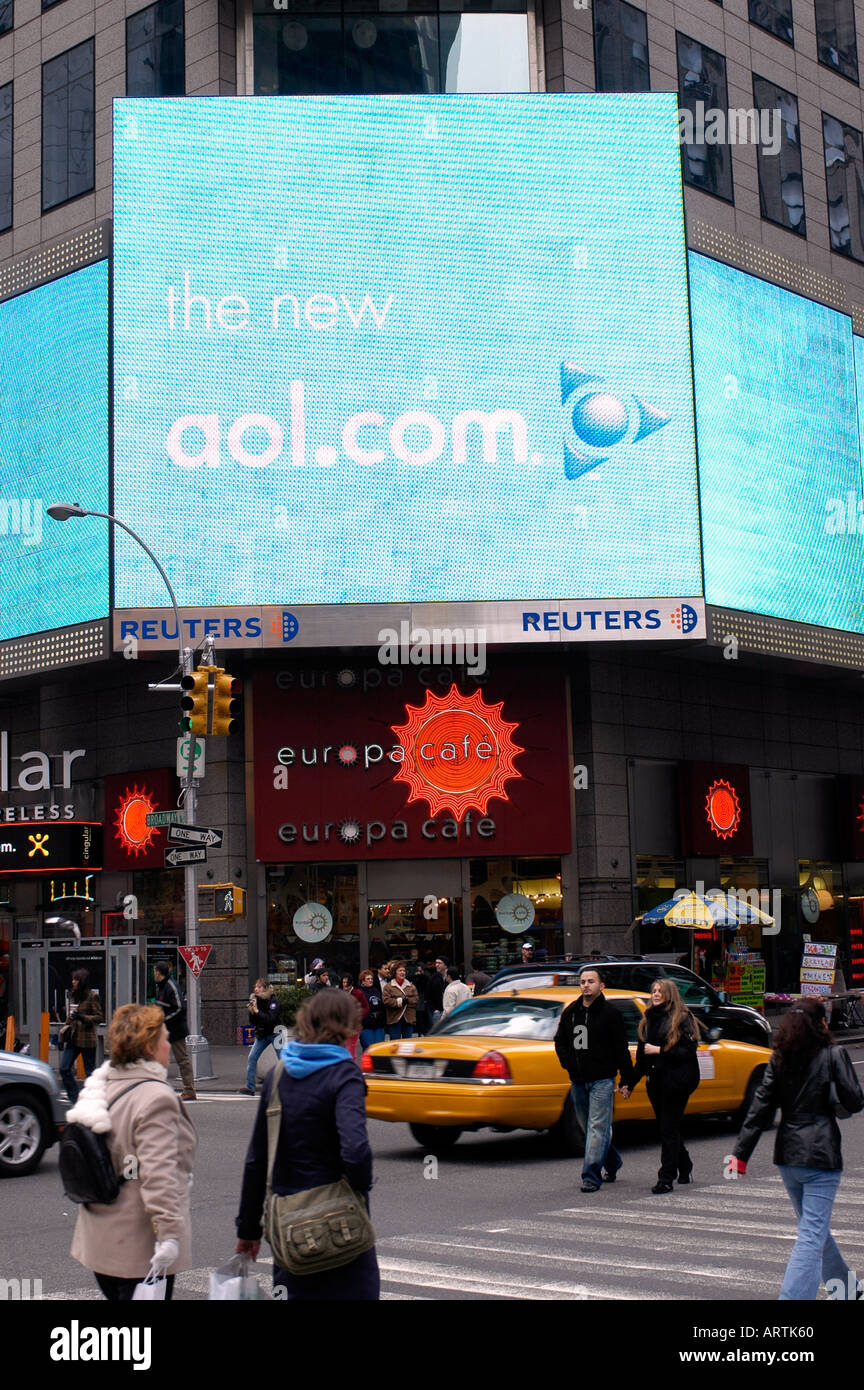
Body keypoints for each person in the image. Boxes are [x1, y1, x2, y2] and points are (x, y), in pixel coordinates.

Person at [235, 989, 379, 1301]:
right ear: (347, 1026)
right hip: (341, 1227)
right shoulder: (344, 1074)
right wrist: (360, 1187)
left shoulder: (277, 1075)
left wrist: (248, 1230)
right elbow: (355, 1150)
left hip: (291, 1230)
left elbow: (257, 1161)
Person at [730, 997, 864, 1300]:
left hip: (788, 1156)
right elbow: (854, 1100)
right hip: (821, 1155)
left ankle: (845, 1289)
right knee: (812, 1234)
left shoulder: (779, 1057)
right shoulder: (834, 1053)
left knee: (813, 1228)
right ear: (821, 1024)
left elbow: (759, 1109)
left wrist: (740, 1156)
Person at [67, 1003, 197, 1301]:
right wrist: (169, 1236)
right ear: (150, 1047)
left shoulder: (101, 1086)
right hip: (139, 1251)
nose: (168, 1045)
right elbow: (158, 1173)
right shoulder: (155, 1098)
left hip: (100, 1242)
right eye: (165, 1039)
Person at [553, 965, 634, 1193]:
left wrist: (626, 1077)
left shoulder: (610, 1014)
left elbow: (621, 1048)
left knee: (597, 1127)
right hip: (578, 1080)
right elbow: (560, 1041)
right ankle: (613, 1161)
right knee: (587, 1127)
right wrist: (568, 1063)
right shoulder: (571, 1012)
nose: (586, 985)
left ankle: (590, 1176)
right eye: (583, 981)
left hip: (602, 1080)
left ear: (601, 985)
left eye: (591, 981)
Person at [627, 978, 700, 1194]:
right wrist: (629, 1083)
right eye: (654, 991)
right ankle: (685, 1165)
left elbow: (688, 1051)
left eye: (660, 991)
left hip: (678, 1081)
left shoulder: (682, 1018)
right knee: (668, 1128)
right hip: (656, 1081)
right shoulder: (648, 1019)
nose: (656, 994)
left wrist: (660, 1051)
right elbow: (642, 1058)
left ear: (670, 994)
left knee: (668, 1128)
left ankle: (666, 1177)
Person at [153, 960, 196, 1102]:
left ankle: (189, 1090)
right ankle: (157, 1088)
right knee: (157, 1058)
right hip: (165, 1030)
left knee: (182, 1060)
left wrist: (163, 1019)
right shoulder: (162, 986)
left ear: (159, 973)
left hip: (175, 1029)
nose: (154, 973)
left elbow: (180, 1008)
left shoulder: (170, 986)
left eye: (155, 971)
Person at [59, 968, 104, 1104]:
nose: (73, 982)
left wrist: (82, 1017)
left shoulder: (92, 996)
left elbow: (99, 1017)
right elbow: (70, 1016)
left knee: (90, 1073)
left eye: (76, 980)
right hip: (73, 1038)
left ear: (82, 981)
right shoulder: (73, 995)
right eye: (73, 979)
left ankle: (95, 1100)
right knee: (64, 1068)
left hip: (87, 1039)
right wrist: (62, 1034)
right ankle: (74, 1098)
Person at [237, 979, 282, 1096]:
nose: (256, 989)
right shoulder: (255, 1000)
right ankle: (250, 1087)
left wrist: (257, 1011)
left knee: (283, 1059)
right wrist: (252, 1012)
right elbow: (253, 1022)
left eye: (259, 987)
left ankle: (289, 1086)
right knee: (252, 1057)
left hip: (276, 1032)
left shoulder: (273, 1001)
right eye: (255, 987)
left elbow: (271, 1019)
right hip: (262, 1034)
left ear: (265, 989)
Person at [383, 963, 419, 1040]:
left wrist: (408, 1000)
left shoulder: (411, 986)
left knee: (407, 1043)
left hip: (408, 1019)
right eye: (400, 970)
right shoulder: (388, 986)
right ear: (395, 972)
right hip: (394, 1019)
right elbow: (386, 1000)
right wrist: (399, 1001)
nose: (403, 972)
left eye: (404, 970)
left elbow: (416, 999)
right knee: (395, 1044)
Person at [340, 973, 369, 1061]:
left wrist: (358, 1016)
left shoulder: (358, 993)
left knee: (351, 1047)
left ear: (351, 983)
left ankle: (351, 1066)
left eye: (346, 983)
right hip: (342, 1024)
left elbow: (366, 1007)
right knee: (343, 1047)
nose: (345, 985)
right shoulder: (340, 993)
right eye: (343, 982)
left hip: (354, 1024)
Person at [357, 969, 386, 1050]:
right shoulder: (359, 992)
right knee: (368, 1049)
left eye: (371, 979)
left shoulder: (376, 990)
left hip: (378, 1025)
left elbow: (382, 1006)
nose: (370, 980)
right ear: (363, 981)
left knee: (379, 1049)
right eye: (368, 979)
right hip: (366, 1026)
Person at [425, 957, 448, 1026]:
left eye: (439, 963)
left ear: (445, 965)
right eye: (436, 963)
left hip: (449, 1011)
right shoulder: (433, 978)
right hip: (437, 1012)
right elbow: (428, 995)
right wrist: (434, 1010)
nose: (436, 965)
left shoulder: (451, 976)